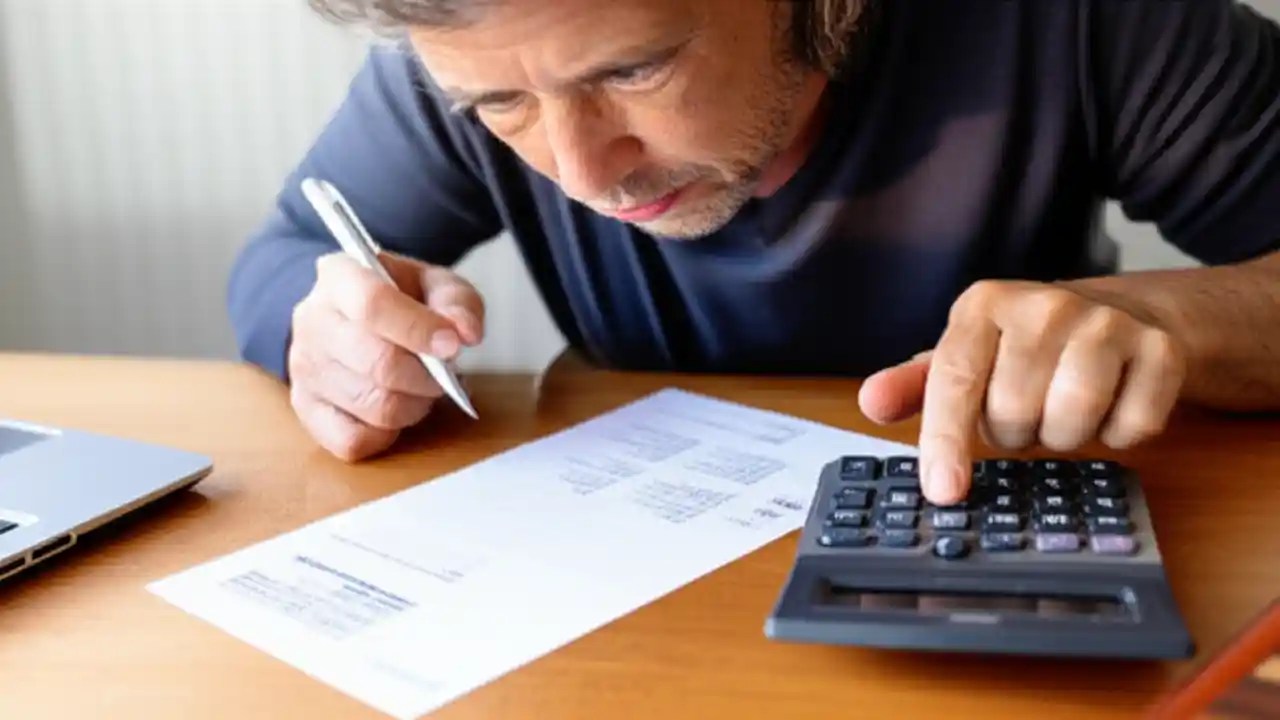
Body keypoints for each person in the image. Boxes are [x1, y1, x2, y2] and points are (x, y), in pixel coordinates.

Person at [227, 0, 1280, 506]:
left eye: (635, 71)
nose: (584, 174)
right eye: (501, 104)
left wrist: (1167, 322)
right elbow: (286, 255)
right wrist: (325, 331)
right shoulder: (477, 48)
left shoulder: (1081, 20)